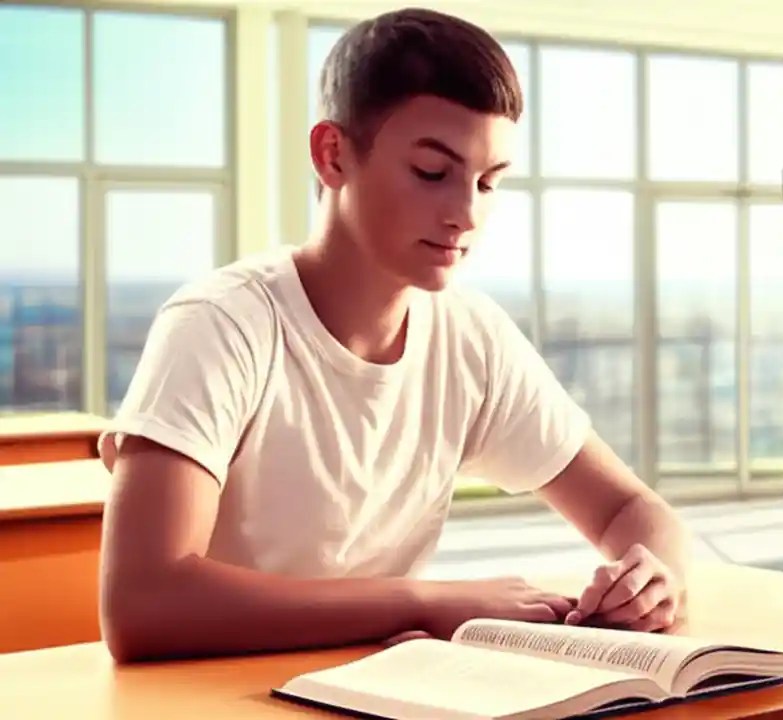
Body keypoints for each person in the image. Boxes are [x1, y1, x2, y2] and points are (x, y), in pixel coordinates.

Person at [96, 6, 692, 663]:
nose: (467, 213)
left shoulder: (471, 337)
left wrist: (653, 576)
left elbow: (630, 509)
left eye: (489, 182)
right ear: (332, 156)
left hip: (379, 693)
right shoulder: (222, 324)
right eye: (433, 173)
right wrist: (420, 600)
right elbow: (142, 605)